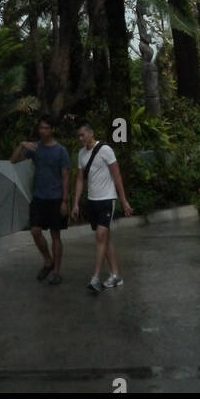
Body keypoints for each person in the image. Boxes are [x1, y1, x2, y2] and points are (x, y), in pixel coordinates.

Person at [71, 122, 132, 294]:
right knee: (105, 239)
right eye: (79, 136)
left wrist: (124, 201)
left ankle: (96, 278)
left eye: (83, 135)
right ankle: (115, 275)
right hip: (92, 201)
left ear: (91, 133)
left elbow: (117, 175)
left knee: (100, 236)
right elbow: (80, 180)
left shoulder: (106, 150)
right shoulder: (81, 154)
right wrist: (75, 203)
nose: (81, 139)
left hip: (107, 199)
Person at [10, 117, 70, 285]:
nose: (42, 131)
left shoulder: (60, 151)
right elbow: (13, 161)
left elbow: (65, 176)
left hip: (56, 198)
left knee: (55, 235)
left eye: (45, 128)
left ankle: (56, 271)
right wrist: (22, 144)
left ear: (52, 130)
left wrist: (65, 200)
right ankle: (47, 260)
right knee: (35, 231)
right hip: (39, 197)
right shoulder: (34, 147)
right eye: (40, 128)